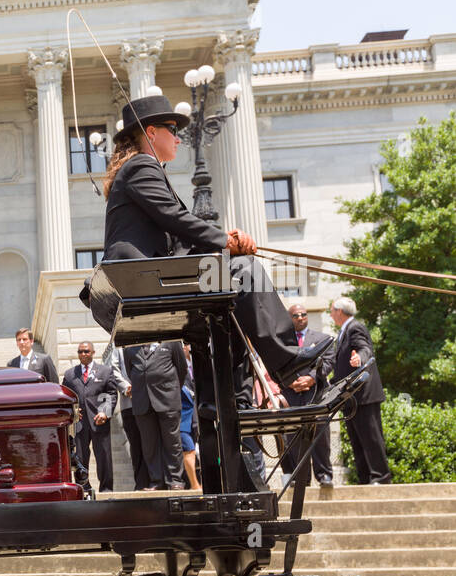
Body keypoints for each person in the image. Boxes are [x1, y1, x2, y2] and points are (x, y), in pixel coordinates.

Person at [100, 94, 328, 388]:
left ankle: (223, 398)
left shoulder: (138, 169)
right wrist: (226, 242)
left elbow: (176, 232)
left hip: (150, 275)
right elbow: (175, 219)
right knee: (245, 270)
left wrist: (226, 241)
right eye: (173, 129)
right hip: (141, 277)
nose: (179, 139)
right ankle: (286, 359)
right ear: (151, 132)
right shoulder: (142, 166)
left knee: (227, 301)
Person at [330, 297, 391, 484]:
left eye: (332, 310)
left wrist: (360, 360)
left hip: (364, 396)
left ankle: (381, 477)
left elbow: (364, 348)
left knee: (371, 438)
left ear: (339, 311)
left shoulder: (355, 327)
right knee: (357, 441)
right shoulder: (344, 331)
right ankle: (365, 479)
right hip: (350, 398)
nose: (330, 314)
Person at [280, 303, 335, 487]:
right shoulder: (282, 342)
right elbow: (276, 365)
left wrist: (311, 379)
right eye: (296, 315)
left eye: (303, 314)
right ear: (290, 318)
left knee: (320, 434)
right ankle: (300, 477)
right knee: (294, 436)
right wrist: (291, 381)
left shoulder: (322, 338)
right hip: (292, 395)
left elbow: (328, 361)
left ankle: (325, 475)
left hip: (316, 393)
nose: (300, 317)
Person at [127, 341, 188, 490]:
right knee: (149, 445)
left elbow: (182, 368)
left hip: (168, 400)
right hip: (143, 402)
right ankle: (156, 481)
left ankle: (175, 480)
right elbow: (130, 372)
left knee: (172, 442)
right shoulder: (129, 347)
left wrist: (172, 389)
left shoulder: (172, 342)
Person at [62, 342, 119, 493]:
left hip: (99, 421)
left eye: (86, 351)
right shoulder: (69, 375)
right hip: (79, 423)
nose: (83, 354)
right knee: (80, 458)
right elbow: (65, 397)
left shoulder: (105, 372)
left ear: (93, 352)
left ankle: (106, 489)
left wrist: (105, 412)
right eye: (80, 351)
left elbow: (112, 394)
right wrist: (72, 411)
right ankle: (83, 488)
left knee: (104, 457)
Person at [103, 342, 148, 492]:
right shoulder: (118, 348)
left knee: (152, 444)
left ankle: (156, 480)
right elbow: (114, 370)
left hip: (150, 402)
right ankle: (141, 483)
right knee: (136, 445)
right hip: (129, 403)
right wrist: (127, 387)